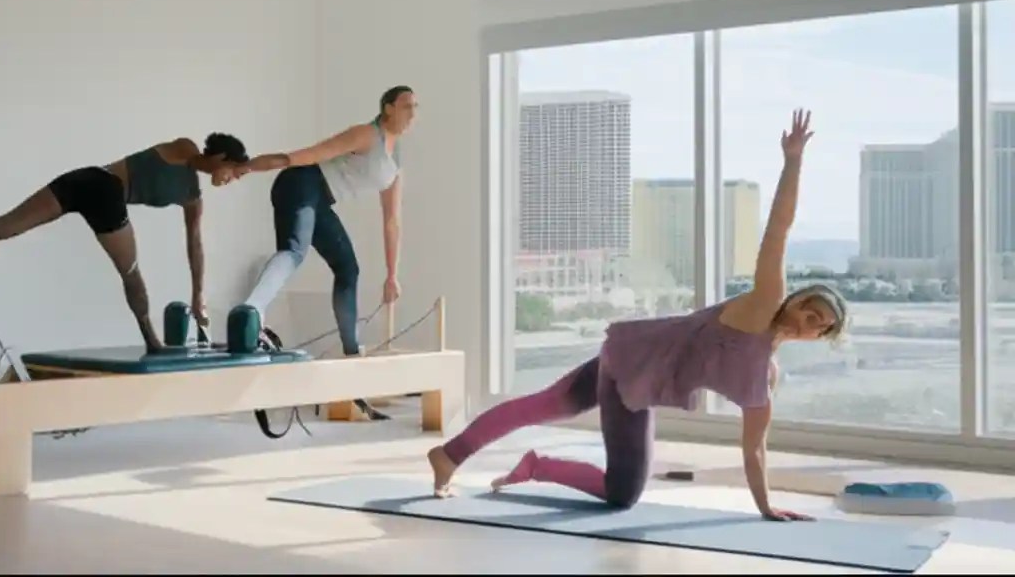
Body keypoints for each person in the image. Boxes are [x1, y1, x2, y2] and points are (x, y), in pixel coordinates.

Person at [426, 109, 848, 522]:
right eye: (809, 311)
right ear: (795, 299)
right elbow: (779, 229)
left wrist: (765, 508)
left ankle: (451, 455)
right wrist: (793, 162)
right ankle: (533, 467)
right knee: (622, 494)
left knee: (548, 405)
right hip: (631, 372)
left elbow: (754, 448)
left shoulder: (766, 375)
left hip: (628, 358)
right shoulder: (763, 305)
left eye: (819, 327)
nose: (807, 324)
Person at [0, 134, 249, 352]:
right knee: (131, 274)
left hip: (85, 179)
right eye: (233, 171)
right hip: (104, 189)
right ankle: (152, 342)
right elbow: (189, 158)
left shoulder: (194, 198)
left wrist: (198, 293)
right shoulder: (187, 148)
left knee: (2, 227)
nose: (231, 179)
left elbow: (195, 247)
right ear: (220, 158)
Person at [232, 85, 418, 413]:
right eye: (406, 106)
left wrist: (392, 275)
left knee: (348, 269)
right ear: (388, 108)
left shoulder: (395, 161)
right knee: (294, 251)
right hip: (300, 182)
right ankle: (251, 311)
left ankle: (351, 352)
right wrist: (248, 166)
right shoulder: (366, 134)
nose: (413, 113)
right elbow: (307, 154)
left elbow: (392, 221)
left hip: (321, 200)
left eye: (416, 107)